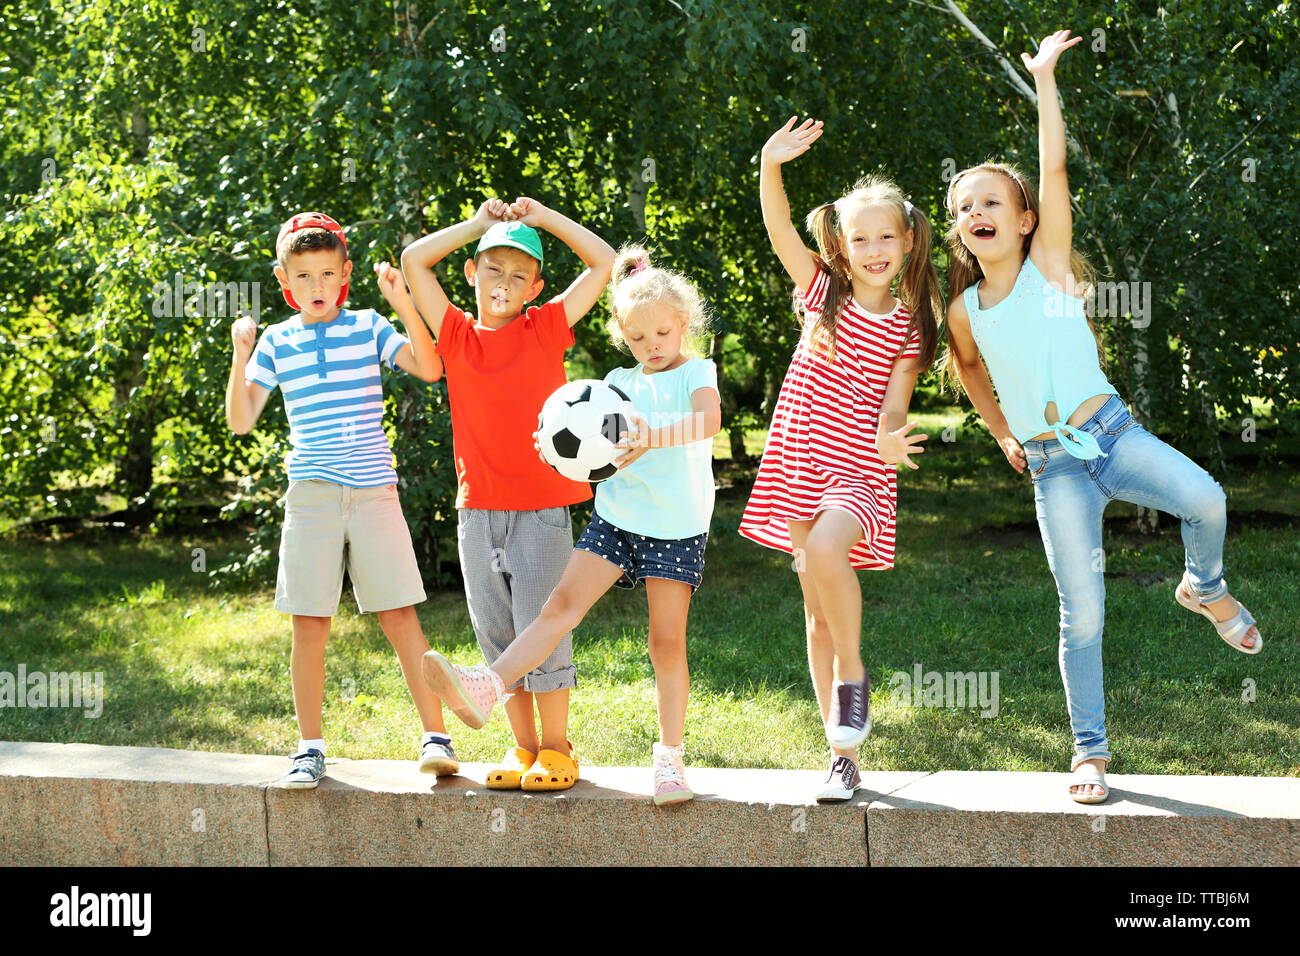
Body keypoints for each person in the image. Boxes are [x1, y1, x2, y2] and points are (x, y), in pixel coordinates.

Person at [941, 31, 1263, 804]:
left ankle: (1204, 586)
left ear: (1024, 220)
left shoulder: (1049, 266)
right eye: (962, 207)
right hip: (1056, 469)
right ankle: (1090, 753)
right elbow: (973, 376)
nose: (975, 211)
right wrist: (1002, 434)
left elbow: (1051, 166)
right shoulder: (962, 310)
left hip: (1114, 436)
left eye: (991, 201)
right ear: (959, 229)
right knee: (1081, 614)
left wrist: (1045, 79)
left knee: (1208, 500)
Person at [421, 245, 721, 805]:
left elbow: (708, 419)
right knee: (557, 608)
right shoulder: (615, 380)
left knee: (665, 643)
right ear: (622, 337)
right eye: (636, 339)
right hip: (617, 517)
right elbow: (583, 432)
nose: (650, 347)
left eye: (660, 334)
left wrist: (651, 435)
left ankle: (670, 763)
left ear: (682, 323)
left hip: (676, 528)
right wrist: (554, 446)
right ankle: (487, 685)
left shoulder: (697, 373)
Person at [739, 118, 940, 802]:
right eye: (860, 239)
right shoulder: (822, 293)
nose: (875, 249)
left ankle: (853, 678)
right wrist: (771, 165)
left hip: (857, 468)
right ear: (842, 247)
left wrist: (889, 437)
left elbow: (895, 402)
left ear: (908, 240)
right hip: (797, 461)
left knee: (829, 554)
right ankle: (842, 756)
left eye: (887, 236)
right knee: (815, 613)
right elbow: (778, 232)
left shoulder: (910, 323)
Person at [225, 211, 453, 789]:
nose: (316, 287)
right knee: (310, 623)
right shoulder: (276, 341)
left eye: (327, 274)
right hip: (313, 495)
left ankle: (435, 737)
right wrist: (240, 352)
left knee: (400, 615)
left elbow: (430, 368)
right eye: (303, 277)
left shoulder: (370, 326)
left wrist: (403, 302)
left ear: (345, 274)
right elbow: (242, 420)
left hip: (373, 490)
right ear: (285, 281)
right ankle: (309, 747)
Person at [402, 197, 614, 792]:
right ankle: (523, 752)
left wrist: (544, 219)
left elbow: (602, 262)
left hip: (542, 512)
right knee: (497, 636)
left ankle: (557, 749)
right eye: (492, 268)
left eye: (519, 274)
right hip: (476, 513)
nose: (504, 282)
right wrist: (477, 225)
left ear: (536, 287)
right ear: (471, 274)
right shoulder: (455, 334)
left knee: (541, 631)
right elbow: (415, 260)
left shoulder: (545, 326)